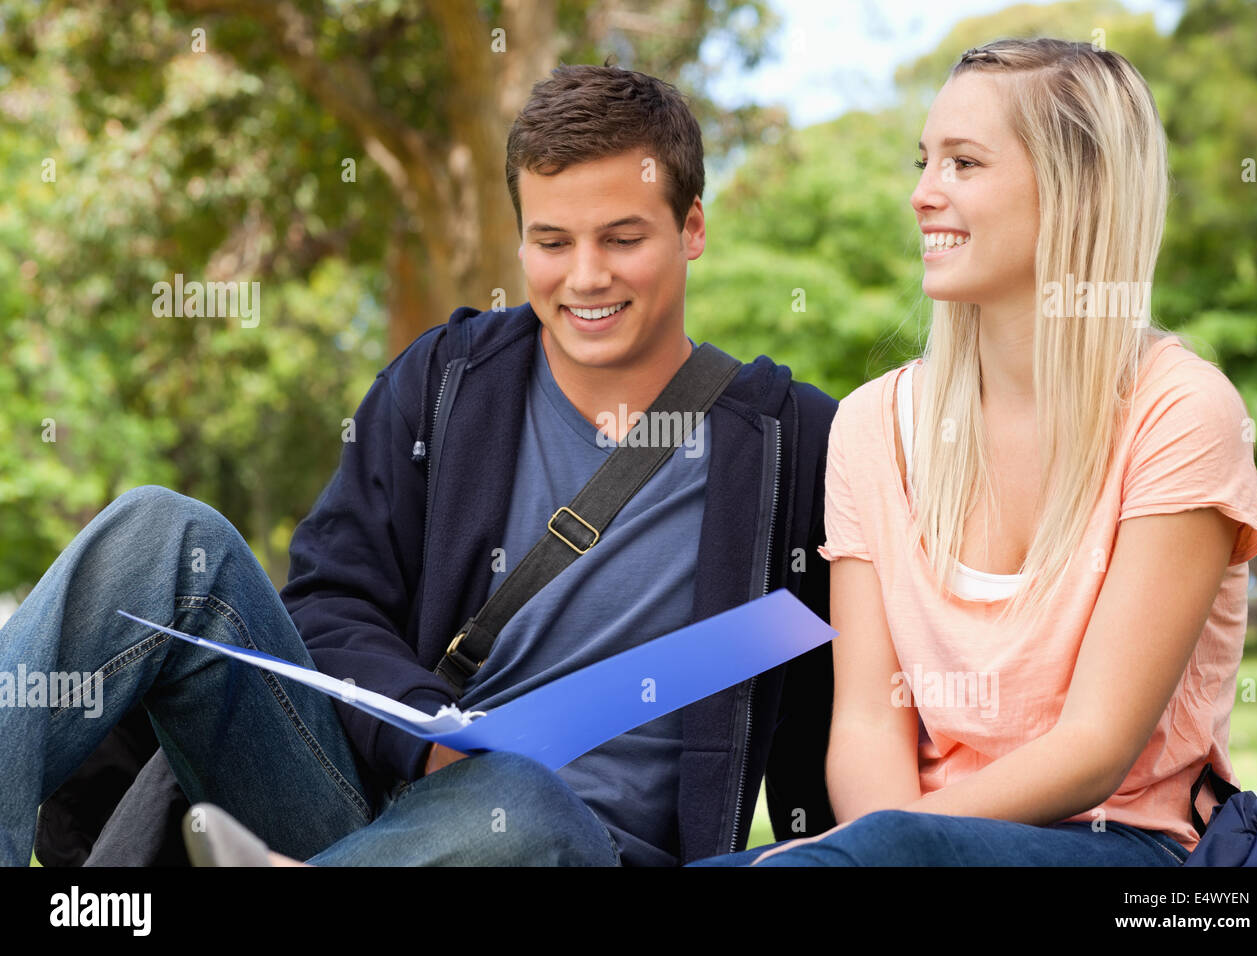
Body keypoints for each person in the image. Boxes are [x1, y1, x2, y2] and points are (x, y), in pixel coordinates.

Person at [0, 64, 838, 867]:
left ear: (692, 228)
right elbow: (329, 604)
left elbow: (845, 715)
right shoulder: (446, 380)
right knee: (159, 534)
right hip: (363, 804)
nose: (586, 276)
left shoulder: (793, 443)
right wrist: (431, 735)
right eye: (552, 241)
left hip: (568, 849)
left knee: (527, 803)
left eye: (622, 238)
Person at [691, 37, 1257, 867]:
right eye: (924, 162)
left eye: (964, 164)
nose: (924, 195)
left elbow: (1097, 746)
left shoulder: (1181, 412)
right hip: (898, 842)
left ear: (1080, 189)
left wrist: (889, 845)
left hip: (1122, 844)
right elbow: (865, 720)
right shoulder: (871, 425)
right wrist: (883, 846)